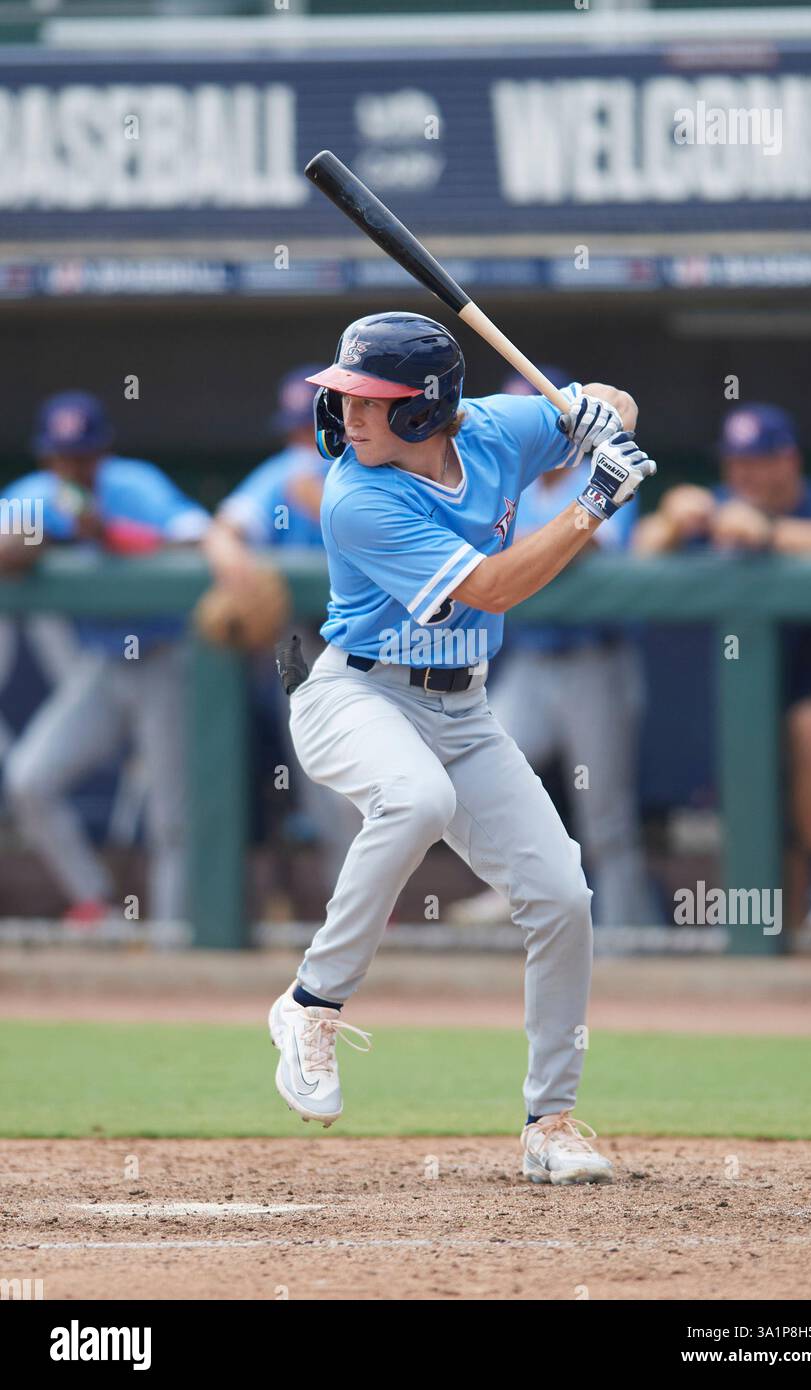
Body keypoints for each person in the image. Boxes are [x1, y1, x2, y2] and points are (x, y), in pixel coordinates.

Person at [267, 311, 657, 1185]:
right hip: (355, 693)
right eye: (347, 398)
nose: (349, 415)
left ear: (426, 410)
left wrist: (600, 418)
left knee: (561, 896)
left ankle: (550, 1123)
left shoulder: (493, 428)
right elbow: (490, 585)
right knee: (415, 800)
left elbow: (615, 401)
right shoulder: (357, 496)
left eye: (373, 401)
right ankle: (310, 1005)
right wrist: (593, 500)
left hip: (466, 713)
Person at [634, 402, 811, 945]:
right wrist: (673, 518)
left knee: (810, 724)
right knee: (768, 912)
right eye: (735, 462)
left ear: (788, 460)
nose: (743, 474)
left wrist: (772, 532)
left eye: (757, 460)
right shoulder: (723, 507)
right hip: (748, 712)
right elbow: (641, 548)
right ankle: (777, 952)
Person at [447, 368, 658, 930]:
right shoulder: (500, 480)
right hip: (531, 663)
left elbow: (586, 542)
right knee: (474, 781)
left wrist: (532, 533)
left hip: (595, 660)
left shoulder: (603, 467)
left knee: (606, 818)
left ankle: (631, 936)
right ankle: (519, 888)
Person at [1, 391, 210, 926]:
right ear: (47, 457)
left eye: (85, 454)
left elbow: (197, 541)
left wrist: (115, 535)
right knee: (30, 780)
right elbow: (6, 547)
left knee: (171, 820)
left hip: (166, 659)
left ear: (104, 451)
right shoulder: (39, 496)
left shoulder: (135, 485)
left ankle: (171, 945)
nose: (74, 466)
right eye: (63, 455)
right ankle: (96, 904)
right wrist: (58, 533)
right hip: (101, 667)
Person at [203, 367, 360, 891]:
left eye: (310, 427)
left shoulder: (373, 469)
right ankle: (361, 912)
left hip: (384, 643)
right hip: (303, 644)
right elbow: (223, 531)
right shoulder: (278, 476)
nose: (302, 442)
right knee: (322, 776)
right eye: (294, 430)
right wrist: (239, 570)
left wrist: (324, 505)